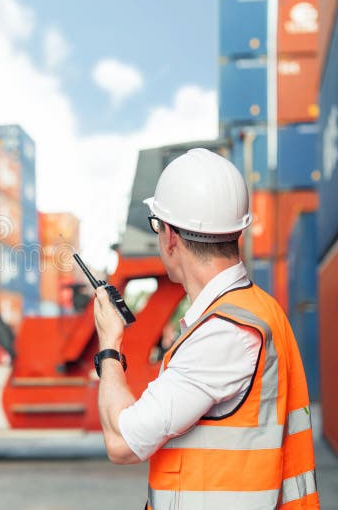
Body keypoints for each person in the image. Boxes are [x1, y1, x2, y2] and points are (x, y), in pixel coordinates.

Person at [93, 148, 319, 509]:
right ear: (236, 232)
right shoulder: (258, 309)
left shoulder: (225, 332)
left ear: (169, 237)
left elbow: (121, 442)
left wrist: (108, 345)